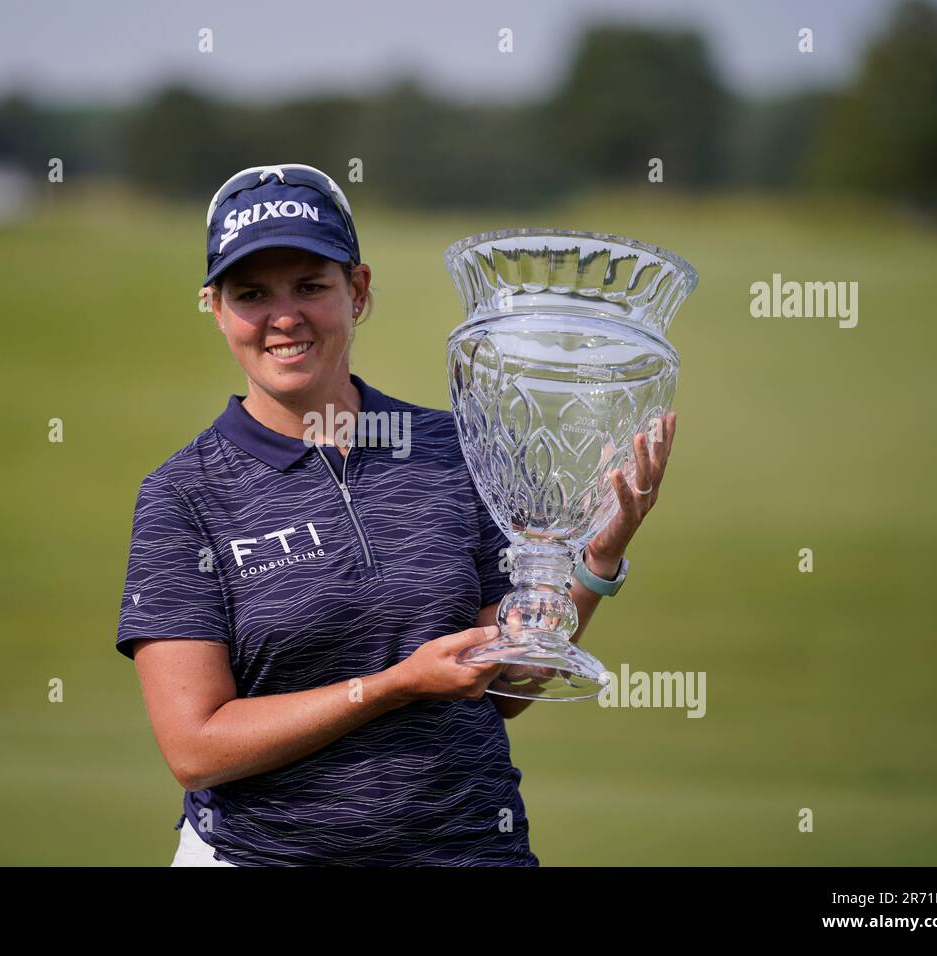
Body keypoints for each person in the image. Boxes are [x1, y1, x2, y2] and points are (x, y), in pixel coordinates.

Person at [115, 162, 676, 866]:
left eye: (310, 286)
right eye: (251, 294)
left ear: (358, 291)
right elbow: (196, 749)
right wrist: (389, 688)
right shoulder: (184, 494)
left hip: (470, 850)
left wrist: (596, 556)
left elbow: (508, 687)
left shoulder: (455, 445)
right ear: (216, 307)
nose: (284, 317)